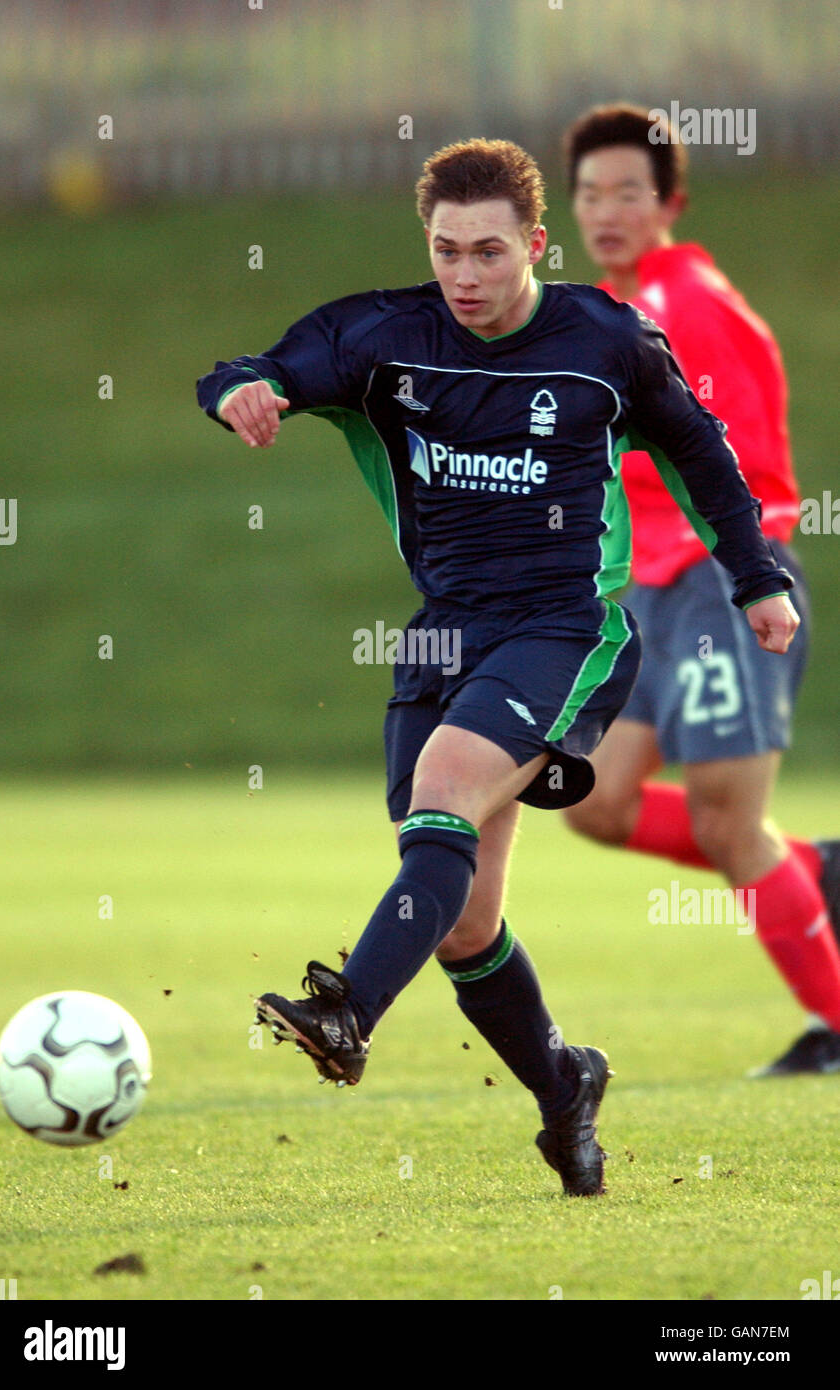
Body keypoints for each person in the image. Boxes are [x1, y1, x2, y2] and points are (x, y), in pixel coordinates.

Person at [196, 138, 798, 1196]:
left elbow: (700, 447)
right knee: (460, 918)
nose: (464, 276)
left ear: (534, 244)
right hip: (442, 637)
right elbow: (256, 368)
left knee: (442, 797)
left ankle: (345, 1009)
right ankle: (563, 1084)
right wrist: (241, 393)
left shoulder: (601, 340)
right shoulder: (382, 335)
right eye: (444, 251)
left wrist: (752, 575)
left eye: (486, 251)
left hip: (564, 628)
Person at [561, 103, 840, 1076]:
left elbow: (733, 462)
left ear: (668, 202)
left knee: (724, 820)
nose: (606, 210)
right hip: (645, 588)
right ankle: (807, 869)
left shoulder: (688, 301)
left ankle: (835, 1021)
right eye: (588, 192)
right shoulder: (610, 309)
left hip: (720, 576)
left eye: (626, 192)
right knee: (590, 798)